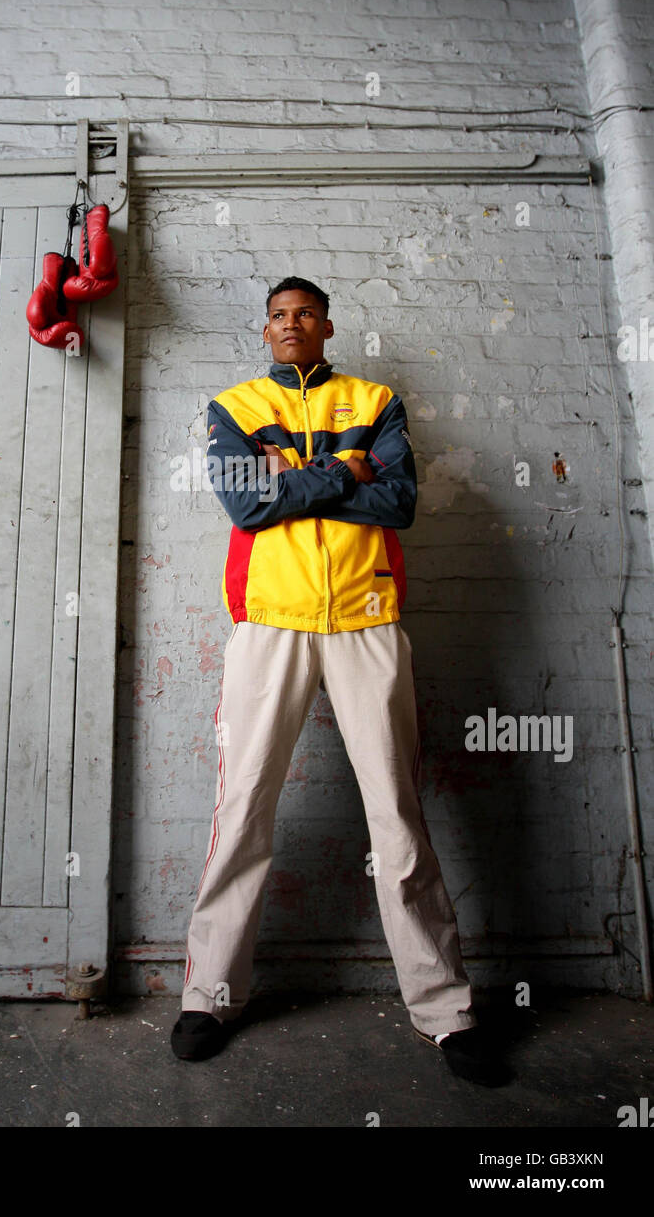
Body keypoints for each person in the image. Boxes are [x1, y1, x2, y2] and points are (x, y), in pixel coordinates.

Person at [170, 277, 505, 1086]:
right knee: (242, 806)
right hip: (270, 625)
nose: (292, 325)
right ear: (266, 330)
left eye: (305, 314)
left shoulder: (375, 398)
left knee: (396, 814)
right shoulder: (236, 407)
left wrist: (299, 475)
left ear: (327, 325)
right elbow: (248, 509)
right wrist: (342, 469)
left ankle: (445, 1011)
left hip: (366, 621)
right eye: (279, 316)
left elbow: (400, 502)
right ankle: (210, 995)